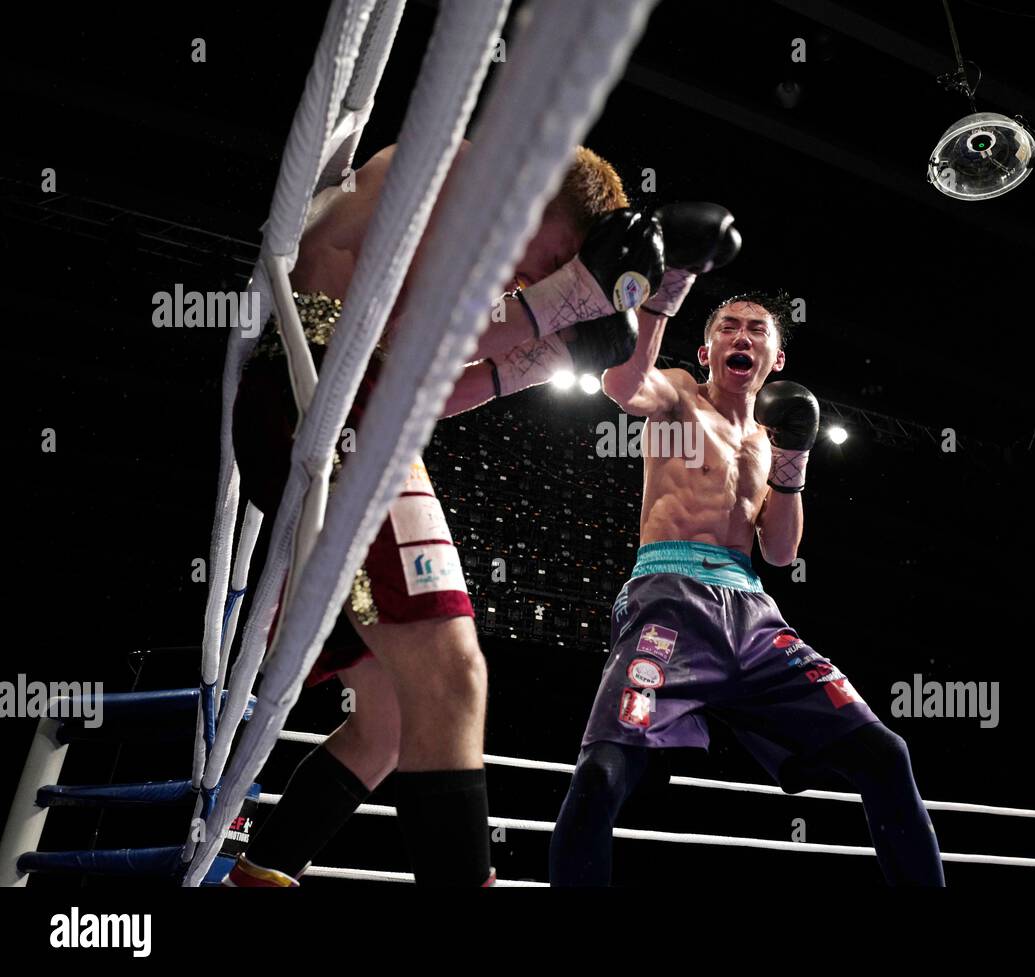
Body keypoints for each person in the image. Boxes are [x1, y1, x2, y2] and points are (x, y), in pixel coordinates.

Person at [224, 141, 663, 887]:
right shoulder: (469, 163)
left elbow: (428, 387)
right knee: (453, 673)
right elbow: (402, 339)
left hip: (356, 409)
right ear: (549, 201)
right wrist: (560, 303)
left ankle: (258, 874)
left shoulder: (479, 245)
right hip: (324, 395)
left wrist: (547, 351)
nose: (533, 277)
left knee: (392, 719)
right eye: (556, 256)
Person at [549, 280, 946, 886]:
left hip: (755, 616)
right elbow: (623, 385)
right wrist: (663, 300)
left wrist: (798, 456)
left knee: (884, 755)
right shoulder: (680, 396)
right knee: (604, 773)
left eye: (757, 329)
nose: (743, 336)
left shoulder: (769, 442)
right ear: (707, 351)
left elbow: (781, 552)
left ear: (776, 359)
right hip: (669, 602)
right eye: (728, 327)